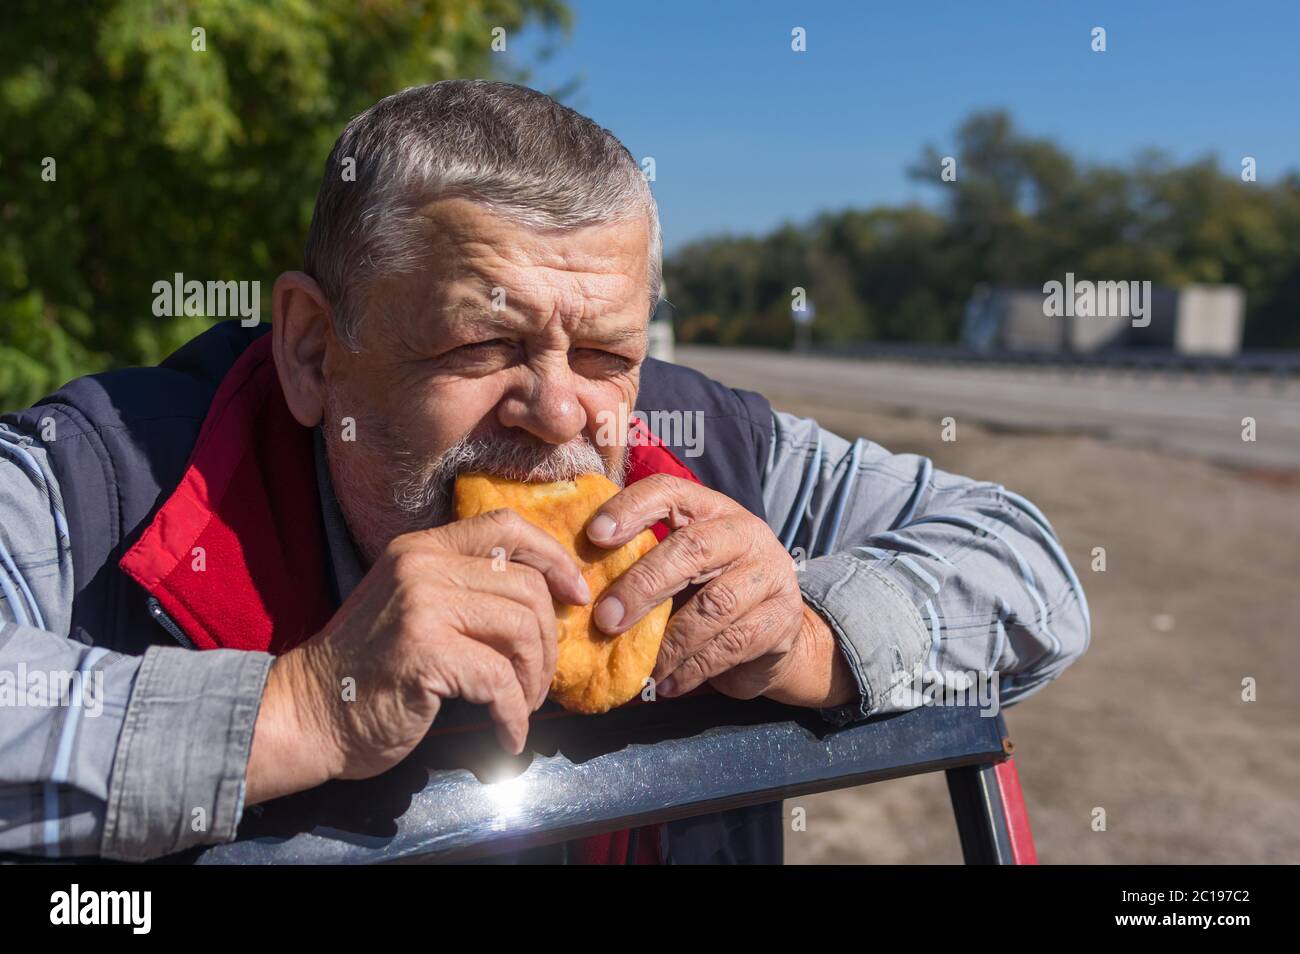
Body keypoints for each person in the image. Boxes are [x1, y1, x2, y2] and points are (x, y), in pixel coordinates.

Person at [0, 80, 1089, 863]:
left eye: (607, 354)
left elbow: (1028, 565)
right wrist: (301, 709)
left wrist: (810, 636)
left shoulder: (715, 449)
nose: (562, 411)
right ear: (313, 351)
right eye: (483, 344)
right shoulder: (105, 479)